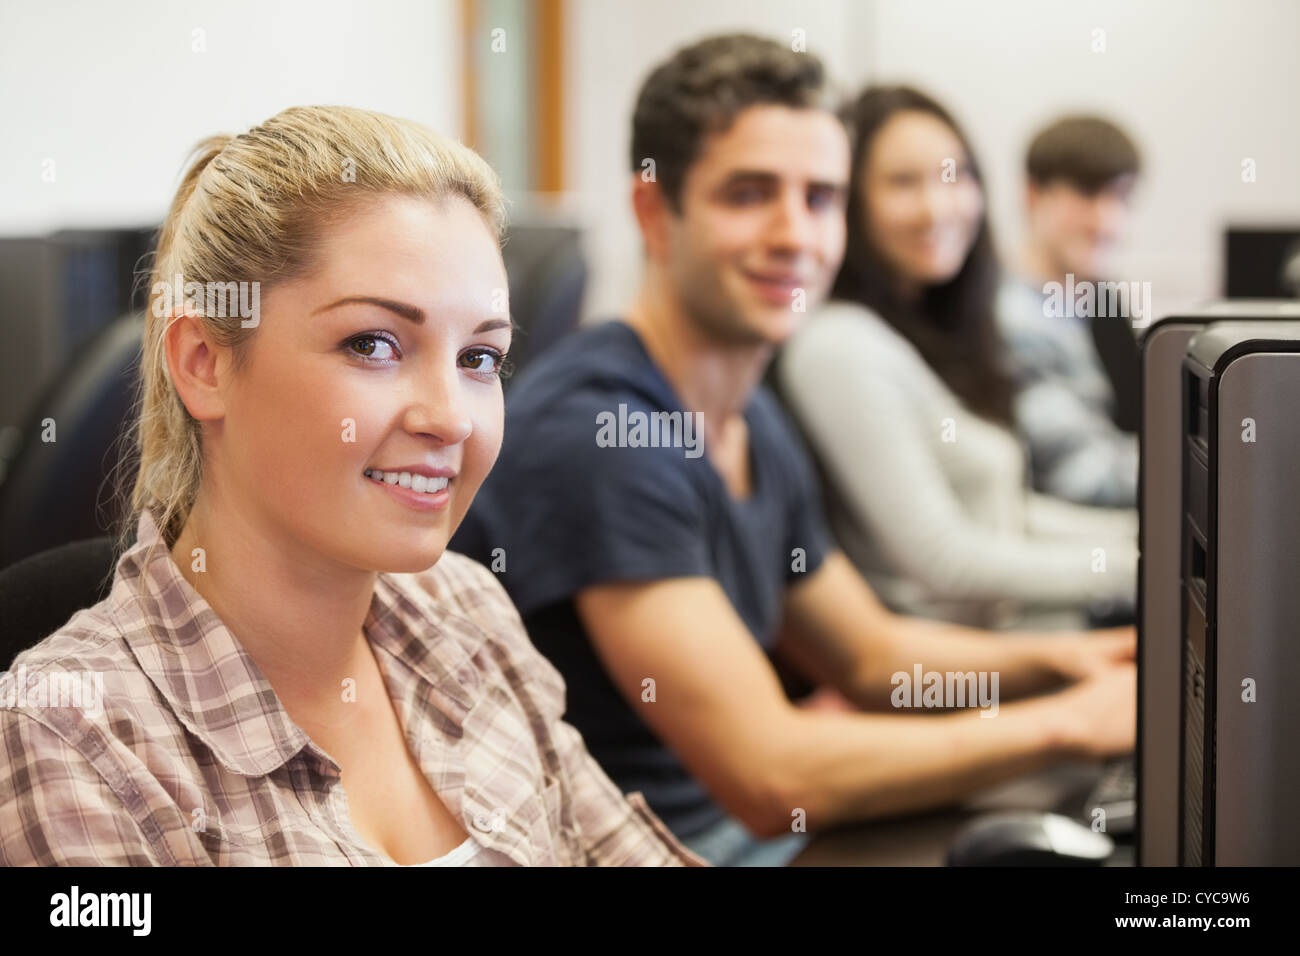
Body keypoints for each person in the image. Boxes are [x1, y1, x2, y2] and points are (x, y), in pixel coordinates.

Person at [452, 35, 1137, 867]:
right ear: (653, 211)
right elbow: (771, 774)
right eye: (749, 194)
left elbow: (871, 656)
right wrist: (1073, 720)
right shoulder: (602, 430)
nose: (794, 233)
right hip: (667, 848)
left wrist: (1074, 659)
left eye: (821, 198)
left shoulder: (749, 416)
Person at [0, 106, 705, 867]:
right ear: (204, 362)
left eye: (479, 359)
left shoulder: (466, 611)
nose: (451, 419)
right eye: (373, 344)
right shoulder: (75, 739)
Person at [776, 86, 1138, 630]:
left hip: (1015, 639)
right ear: (852, 199)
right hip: (957, 670)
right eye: (902, 182)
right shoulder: (840, 345)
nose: (936, 206)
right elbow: (944, 562)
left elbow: (1006, 517)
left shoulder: (923, 332)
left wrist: (1147, 542)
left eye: (955, 176)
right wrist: (1150, 566)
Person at [997, 115, 1143, 507]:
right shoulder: (1014, 319)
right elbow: (1080, 476)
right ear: (1032, 195)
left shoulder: (1099, 300)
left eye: (1121, 198)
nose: (1108, 222)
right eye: (1087, 194)